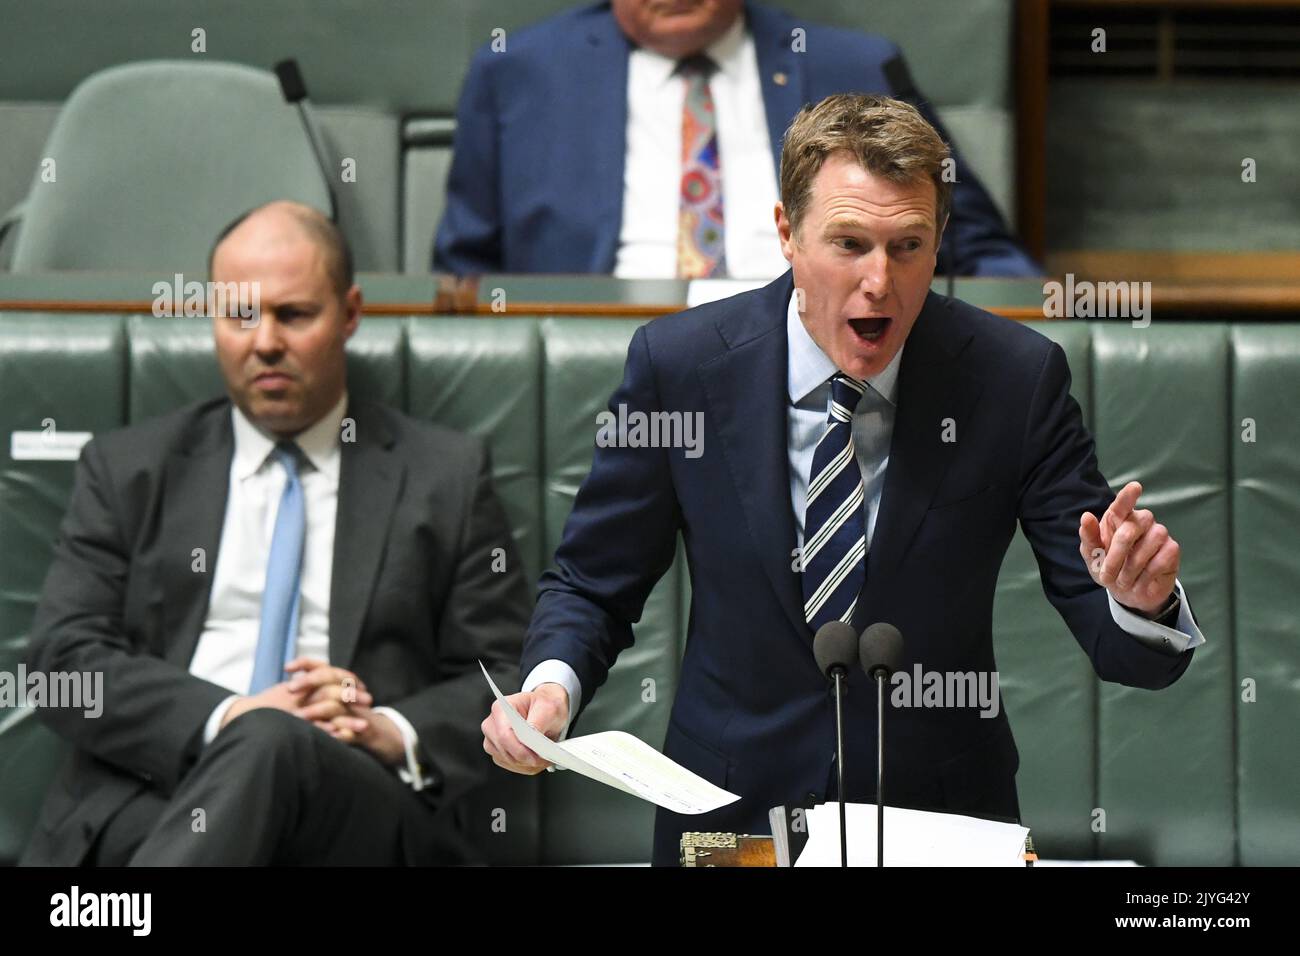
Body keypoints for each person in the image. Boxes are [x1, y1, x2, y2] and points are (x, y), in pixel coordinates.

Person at [481, 95, 1204, 866]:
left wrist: (1139, 601)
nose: (879, 283)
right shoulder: (683, 367)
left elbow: (1119, 637)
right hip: (731, 820)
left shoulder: (1013, 382)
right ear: (788, 234)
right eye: (850, 243)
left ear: (939, 244)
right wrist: (552, 687)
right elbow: (595, 581)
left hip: (941, 819)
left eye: (908, 246)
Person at [21, 201, 528, 866]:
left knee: (275, 742)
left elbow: (509, 676)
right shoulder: (129, 469)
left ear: (349, 313)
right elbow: (62, 659)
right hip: (154, 799)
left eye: (293, 314)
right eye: (239, 315)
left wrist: (389, 729)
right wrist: (228, 716)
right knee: (261, 737)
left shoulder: (443, 476)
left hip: (358, 812)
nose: (264, 341)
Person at [435, 0, 1039, 279]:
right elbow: (462, 274)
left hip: (818, 352)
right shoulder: (517, 72)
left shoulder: (853, 66)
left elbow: (973, 248)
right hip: (597, 364)